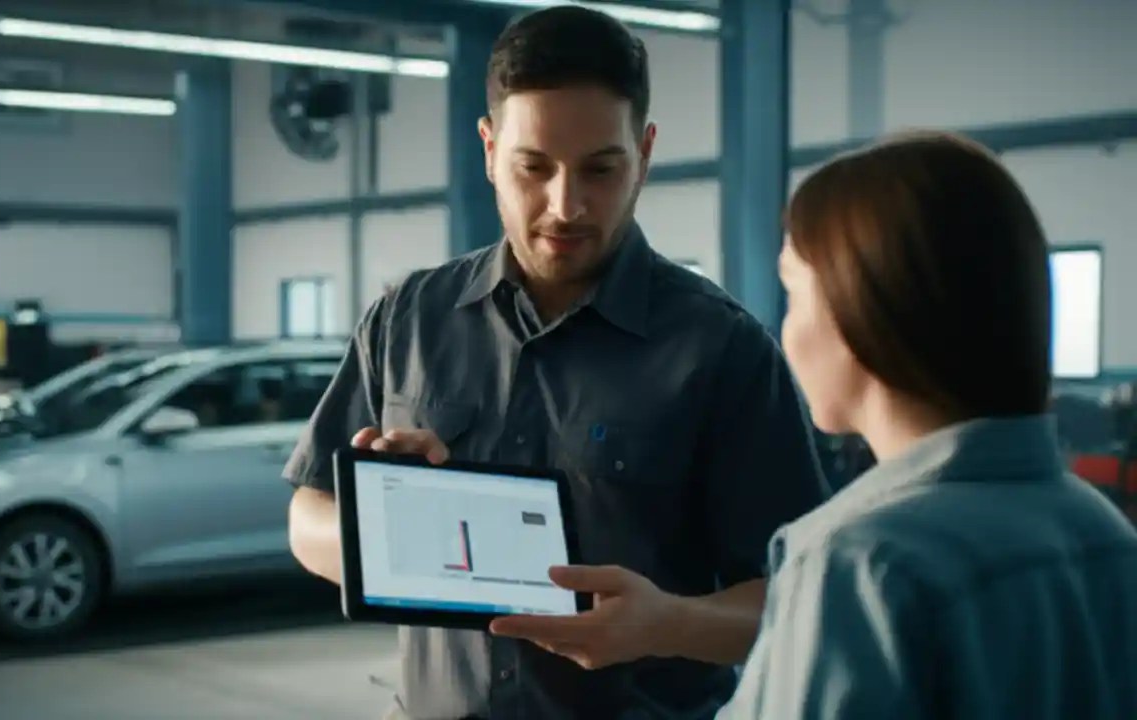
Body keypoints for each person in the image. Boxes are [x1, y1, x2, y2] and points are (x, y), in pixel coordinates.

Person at [283, 5, 829, 719]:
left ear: (646, 153)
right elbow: (307, 515)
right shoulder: (410, 317)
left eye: (601, 169)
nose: (565, 206)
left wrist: (666, 622)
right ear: (487, 148)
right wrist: (391, 526)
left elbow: (799, 600)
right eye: (532, 168)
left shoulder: (721, 349)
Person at [490, 131, 1137, 719]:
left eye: (795, 292)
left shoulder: (858, 561)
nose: (786, 329)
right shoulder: (1102, 532)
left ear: (863, 316)